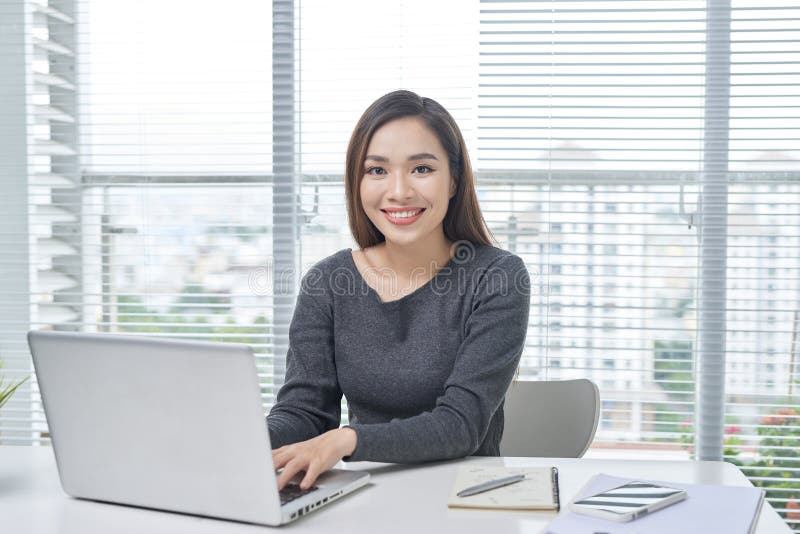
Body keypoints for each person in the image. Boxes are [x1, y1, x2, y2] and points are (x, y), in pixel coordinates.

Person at [267, 89, 530, 491]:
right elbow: (305, 412)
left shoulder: (498, 277)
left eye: (422, 169)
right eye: (377, 171)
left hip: (468, 500)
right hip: (365, 496)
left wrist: (349, 439)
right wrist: (242, 440)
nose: (399, 191)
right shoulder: (327, 282)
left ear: (454, 179)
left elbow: (461, 425)